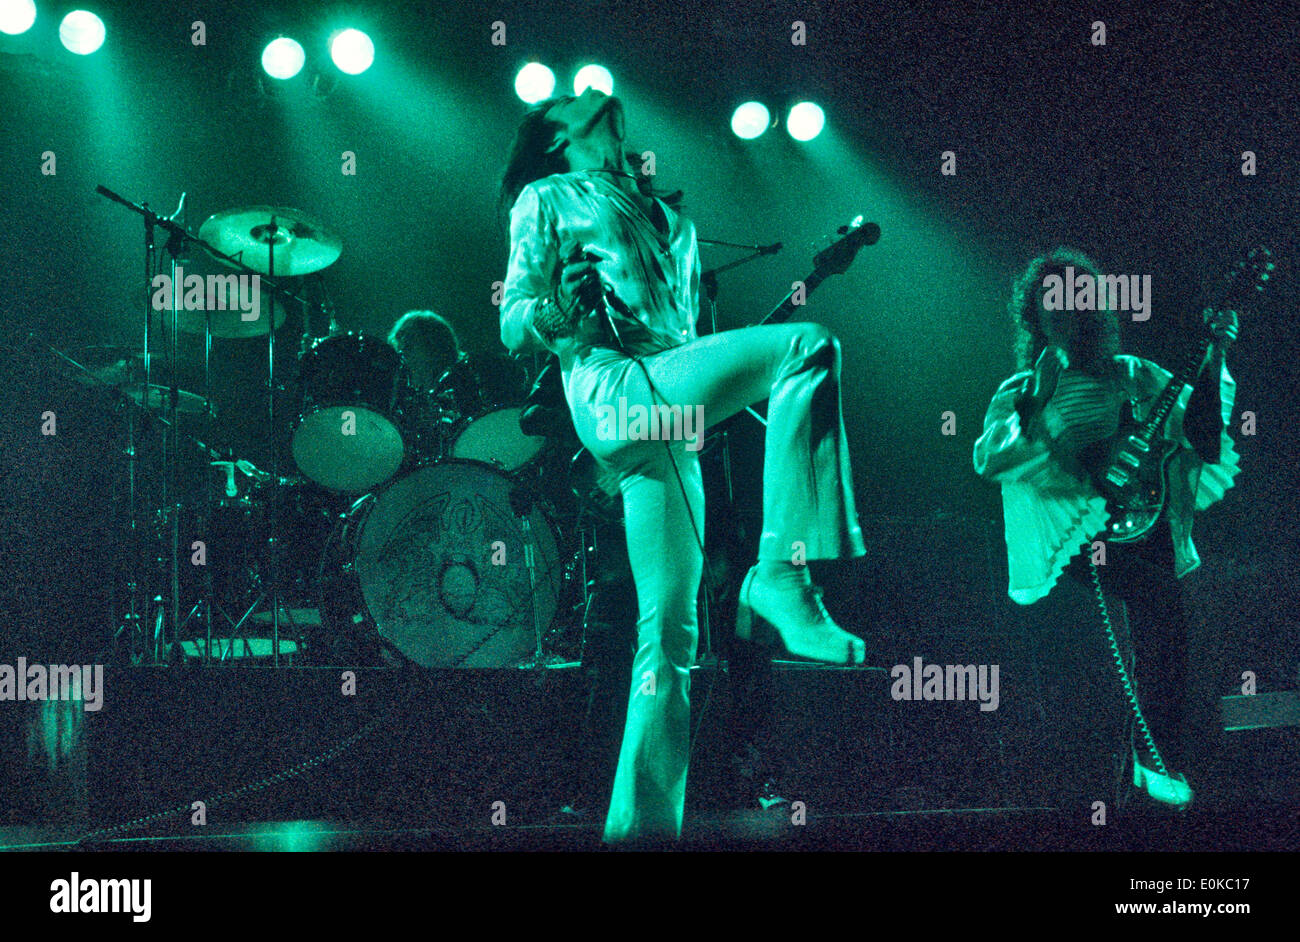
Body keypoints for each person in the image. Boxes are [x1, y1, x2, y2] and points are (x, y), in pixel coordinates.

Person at [498, 87, 867, 843]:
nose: (594, 96)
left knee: (670, 635)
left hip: (670, 415)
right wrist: (561, 314)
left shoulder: (671, 215)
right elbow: (511, 319)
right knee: (809, 347)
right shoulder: (547, 195)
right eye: (573, 101)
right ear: (556, 139)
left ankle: (637, 830)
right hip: (613, 386)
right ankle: (782, 573)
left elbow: (687, 335)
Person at [973, 246, 1241, 810]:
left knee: (1166, 637)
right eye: (1052, 302)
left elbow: (1205, 438)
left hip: (1148, 528)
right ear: (1035, 316)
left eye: (1076, 298)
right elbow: (989, 462)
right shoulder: (1020, 390)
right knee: (1120, 644)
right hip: (1076, 538)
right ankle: (1120, 781)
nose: (1067, 311)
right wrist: (1040, 401)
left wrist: (1215, 354)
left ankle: (1152, 770)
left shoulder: (1136, 375)